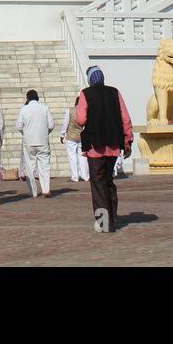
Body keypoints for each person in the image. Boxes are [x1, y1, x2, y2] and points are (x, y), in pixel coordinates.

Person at [75, 66, 133, 232]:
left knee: (98, 184)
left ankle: (104, 222)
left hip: (95, 146)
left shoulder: (86, 94)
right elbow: (125, 118)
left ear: (90, 79)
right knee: (108, 181)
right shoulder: (115, 92)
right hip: (113, 145)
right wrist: (128, 139)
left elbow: (80, 119)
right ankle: (112, 217)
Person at [16, 90, 55, 198]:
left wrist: (26, 133)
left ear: (27, 99)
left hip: (29, 142)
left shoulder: (24, 109)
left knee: (30, 167)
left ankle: (33, 192)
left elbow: (19, 126)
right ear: (37, 97)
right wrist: (46, 133)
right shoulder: (44, 108)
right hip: (43, 141)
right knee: (45, 166)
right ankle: (46, 190)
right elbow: (51, 125)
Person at [61, 96, 89, 182]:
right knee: (83, 157)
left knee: (72, 157)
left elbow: (65, 123)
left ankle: (75, 177)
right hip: (82, 137)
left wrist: (62, 134)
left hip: (71, 136)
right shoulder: (85, 111)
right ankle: (85, 176)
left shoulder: (70, 110)